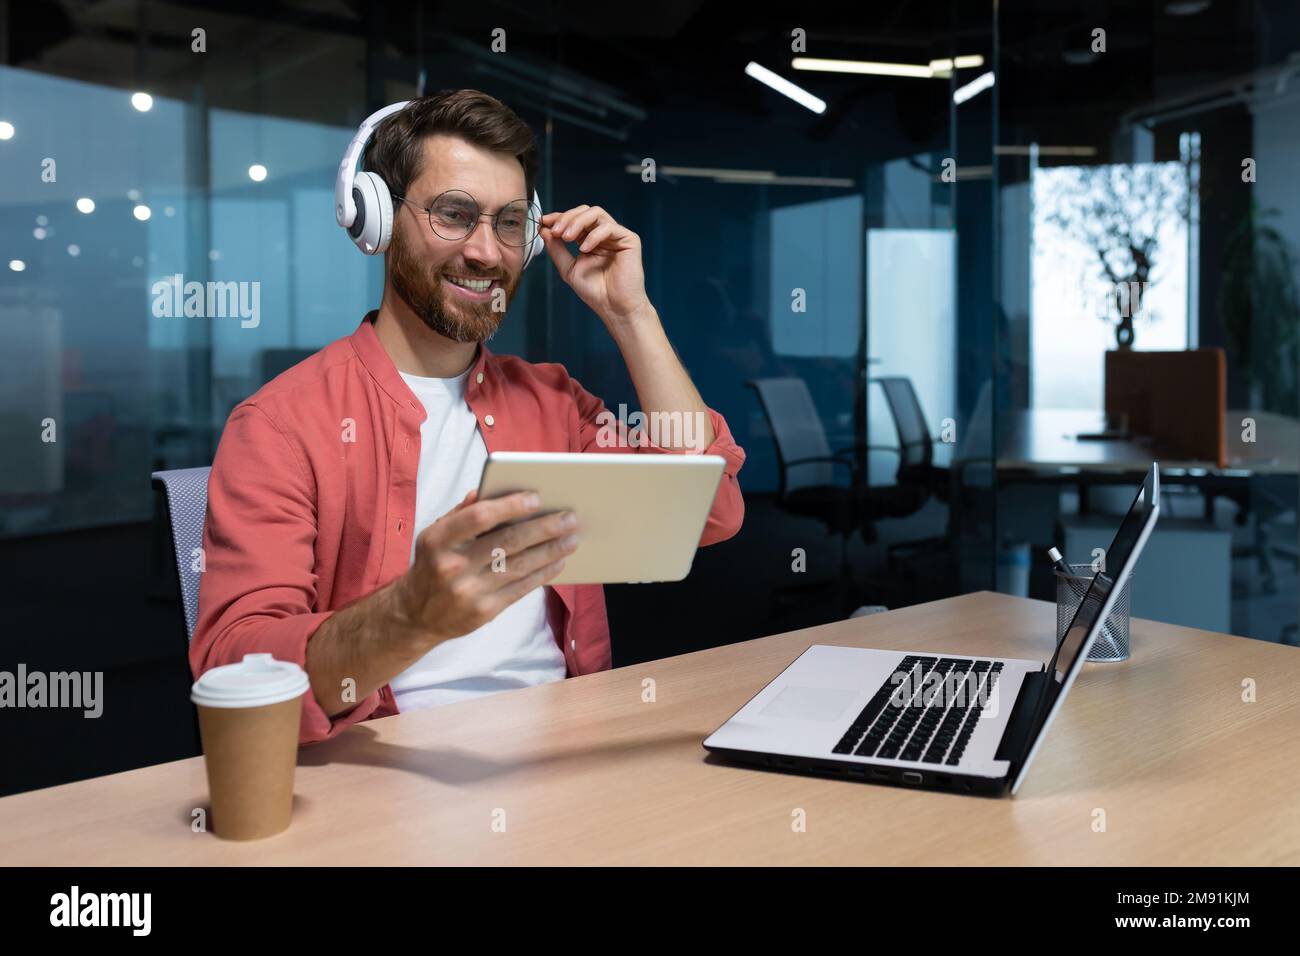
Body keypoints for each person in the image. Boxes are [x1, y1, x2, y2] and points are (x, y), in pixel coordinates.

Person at [190, 90, 746, 744]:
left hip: (566, 752)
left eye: (510, 222)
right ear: (377, 219)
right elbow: (235, 663)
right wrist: (411, 613)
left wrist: (630, 314)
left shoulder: (553, 401)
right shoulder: (281, 424)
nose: (486, 251)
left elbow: (708, 511)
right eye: (454, 214)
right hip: (379, 777)